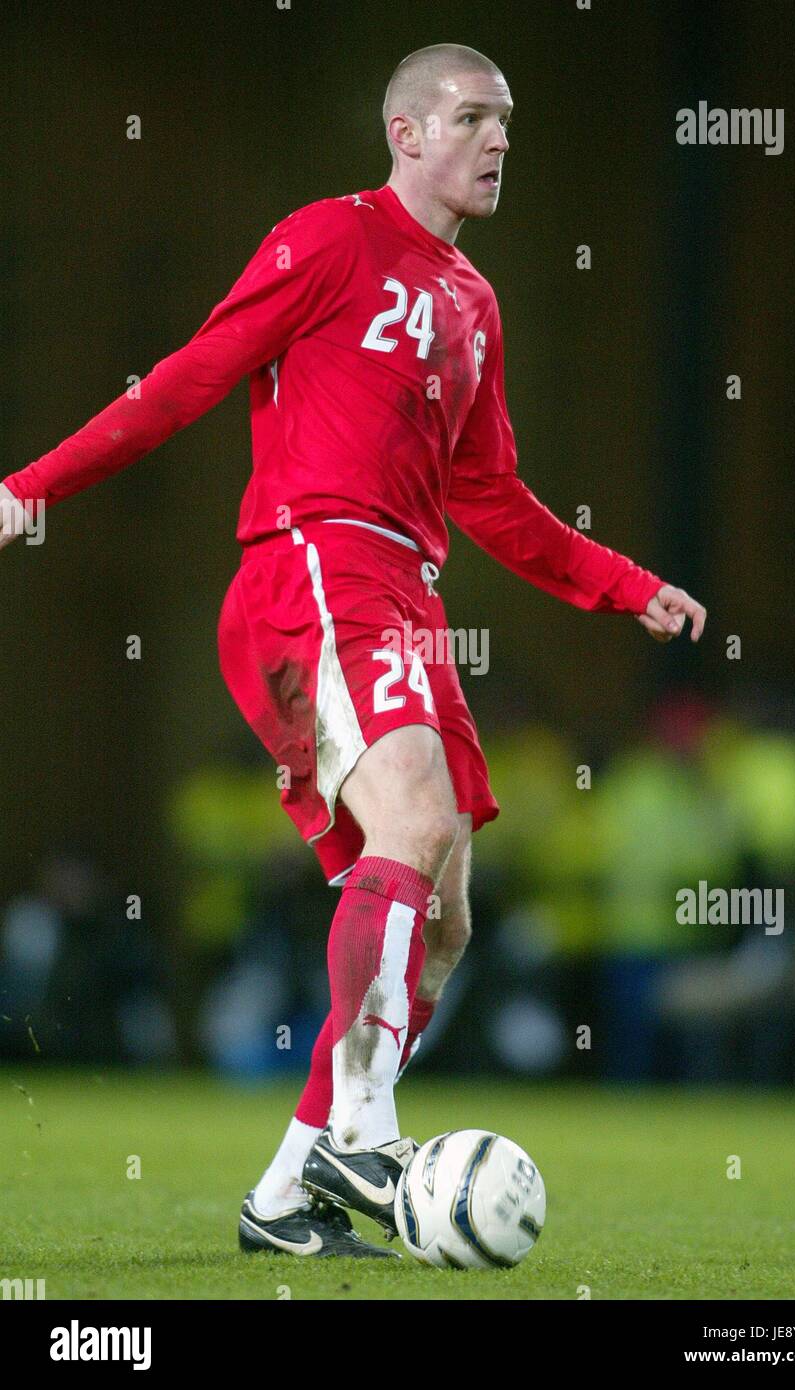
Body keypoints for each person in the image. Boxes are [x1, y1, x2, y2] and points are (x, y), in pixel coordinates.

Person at [0, 43, 706, 1258]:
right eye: (472, 117)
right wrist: (33, 485)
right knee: (414, 824)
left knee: (446, 919)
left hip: (405, 596)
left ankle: (285, 1194)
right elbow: (187, 378)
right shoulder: (328, 238)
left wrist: (621, 584)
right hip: (314, 565)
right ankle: (365, 1134)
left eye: (505, 122)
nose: (497, 141)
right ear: (404, 132)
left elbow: (488, 495)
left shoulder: (473, 303)